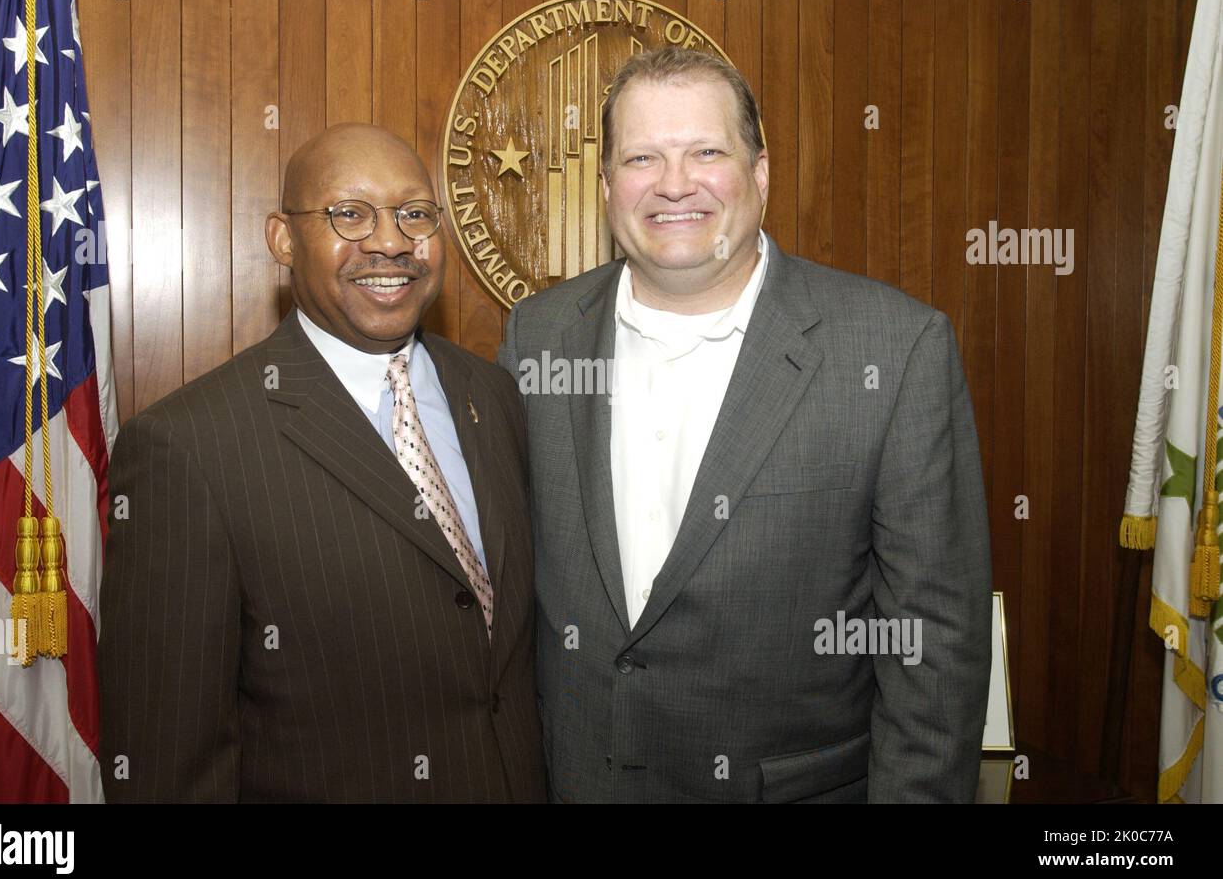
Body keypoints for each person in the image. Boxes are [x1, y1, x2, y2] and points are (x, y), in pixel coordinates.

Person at [498, 47, 992, 802]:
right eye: (641, 157)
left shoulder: (895, 350)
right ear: (605, 187)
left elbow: (933, 648)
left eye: (706, 152)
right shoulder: (536, 337)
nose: (673, 183)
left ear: (760, 174)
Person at [99, 123, 544, 802]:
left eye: (414, 214)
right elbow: (169, 760)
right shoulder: (187, 447)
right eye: (350, 214)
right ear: (283, 239)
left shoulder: (493, 395)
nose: (391, 241)